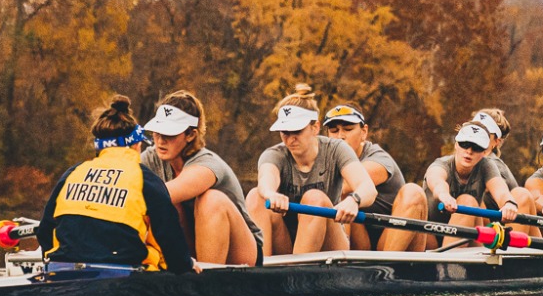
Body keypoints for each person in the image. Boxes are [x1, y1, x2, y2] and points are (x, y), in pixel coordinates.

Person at [35, 95, 196, 272]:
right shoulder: (145, 179)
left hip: (63, 272)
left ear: (100, 147)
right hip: (122, 277)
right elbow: (170, 240)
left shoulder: (72, 173)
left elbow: (44, 232)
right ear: (136, 146)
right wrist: (186, 267)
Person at [247, 86, 381, 255]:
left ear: (315, 127)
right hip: (287, 244)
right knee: (255, 196)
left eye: (297, 130)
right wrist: (270, 194)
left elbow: (368, 188)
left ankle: (296, 277)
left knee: (314, 197)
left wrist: (354, 201)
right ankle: (259, 273)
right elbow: (266, 179)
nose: (291, 138)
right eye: (285, 132)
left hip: (329, 241)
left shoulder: (336, 149)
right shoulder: (274, 155)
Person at [141, 90, 263, 266]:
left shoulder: (207, 164)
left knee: (209, 199)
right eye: (157, 132)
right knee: (166, 203)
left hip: (241, 254)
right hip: (192, 248)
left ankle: (205, 284)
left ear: (190, 135)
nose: (160, 141)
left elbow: (162, 194)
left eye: (169, 134)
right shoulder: (152, 157)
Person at [321, 103, 429, 251]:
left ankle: (386, 270)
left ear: (364, 132)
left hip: (393, 244)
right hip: (360, 243)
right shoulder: (322, 161)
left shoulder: (378, 159)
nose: (340, 136)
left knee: (413, 191)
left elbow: (343, 185)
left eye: (348, 129)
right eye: (334, 131)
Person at [422, 120, 519, 247]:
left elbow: (500, 190)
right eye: (465, 144)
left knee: (467, 201)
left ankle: (452, 264)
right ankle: (449, 265)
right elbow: (437, 181)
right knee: (411, 190)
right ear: (456, 145)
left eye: (476, 147)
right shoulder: (441, 164)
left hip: (465, 235)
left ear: (485, 152)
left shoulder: (487, 166)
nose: (469, 151)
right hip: (429, 235)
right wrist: (444, 196)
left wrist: (509, 203)